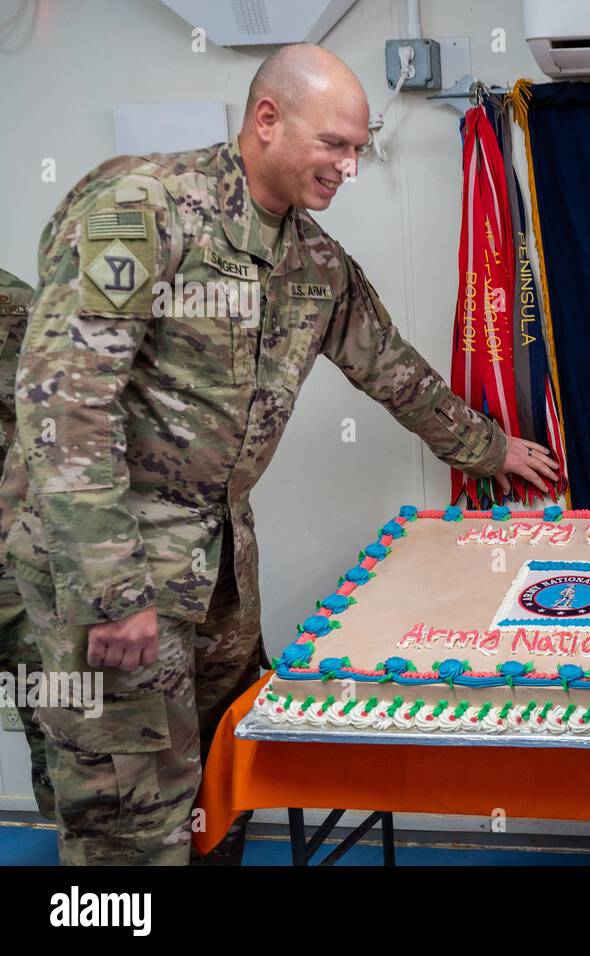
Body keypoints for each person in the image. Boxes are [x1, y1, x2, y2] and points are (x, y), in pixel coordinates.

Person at [0, 43, 558, 865]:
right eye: (334, 144)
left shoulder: (313, 261)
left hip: (219, 577)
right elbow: (64, 401)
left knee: (217, 800)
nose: (348, 167)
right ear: (268, 120)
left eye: (359, 150)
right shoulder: (145, 209)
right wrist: (113, 589)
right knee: (124, 823)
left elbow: (393, 371)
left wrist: (490, 448)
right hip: (106, 582)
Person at [0, 267, 52, 819]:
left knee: (52, 710)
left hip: (17, 556)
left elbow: (53, 427)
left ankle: (82, 852)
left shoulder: (16, 305)